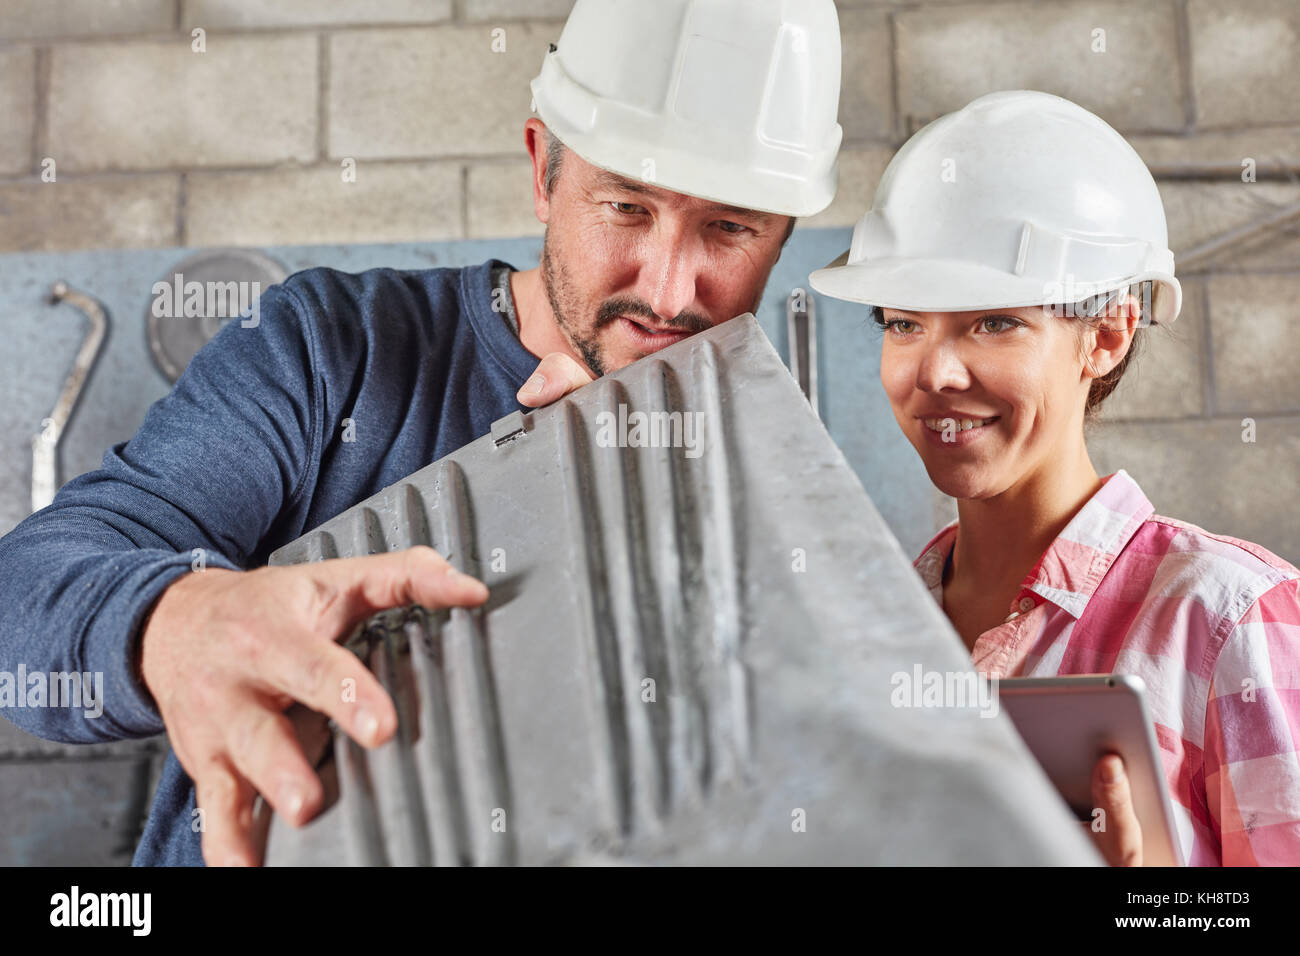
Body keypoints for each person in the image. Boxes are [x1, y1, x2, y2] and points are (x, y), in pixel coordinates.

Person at [0, 0, 844, 866]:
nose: (669, 291)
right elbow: (24, 589)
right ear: (544, 171)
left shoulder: (766, 465)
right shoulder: (331, 349)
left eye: (731, 227)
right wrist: (176, 623)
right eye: (626, 207)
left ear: (782, 236)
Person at [810, 90, 1300, 866]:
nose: (933, 372)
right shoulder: (873, 630)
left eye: (994, 321)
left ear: (1105, 335)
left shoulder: (1229, 619)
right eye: (903, 323)